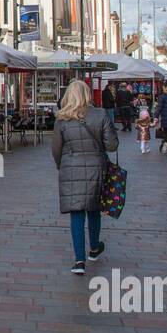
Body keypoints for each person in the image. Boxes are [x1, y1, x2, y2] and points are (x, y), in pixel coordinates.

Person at [50, 79, 118, 276]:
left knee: (76, 213)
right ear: (87, 94)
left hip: (70, 168)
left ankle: (79, 260)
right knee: (94, 209)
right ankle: (94, 248)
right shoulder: (100, 114)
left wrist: (60, 166)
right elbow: (112, 146)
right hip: (97, 167)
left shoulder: (62, 119)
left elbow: (56, 149)